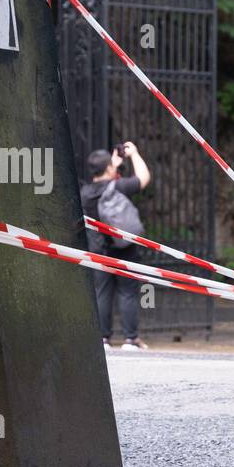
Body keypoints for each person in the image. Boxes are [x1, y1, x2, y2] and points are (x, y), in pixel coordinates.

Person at [80, 142, 152, 350]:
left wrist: (113, 166)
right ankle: (131, 339)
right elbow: (143, 178)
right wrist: (135, 154)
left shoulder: (84, 193)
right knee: (127, 292)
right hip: (124, 248)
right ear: (109, 168)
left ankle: (103, 338)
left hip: (98, 249)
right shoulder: (117, 187)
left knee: (102, 292)